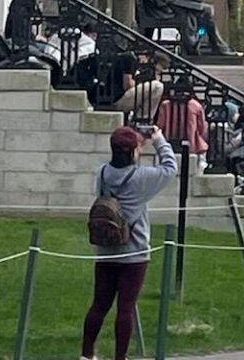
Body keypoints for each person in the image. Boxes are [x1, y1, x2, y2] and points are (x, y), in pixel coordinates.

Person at [80, 125, 177, 360]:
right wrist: (159, 140)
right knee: (126, 306)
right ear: (133, 152)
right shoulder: (142, 177)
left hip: (106, 249)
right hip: (134, 252)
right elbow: (170, 168)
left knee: (99, 304)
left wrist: (136, 144)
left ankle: (86, 354)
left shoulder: (102, 173)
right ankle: (120, 357)